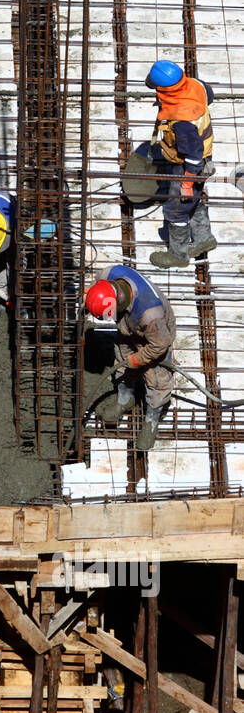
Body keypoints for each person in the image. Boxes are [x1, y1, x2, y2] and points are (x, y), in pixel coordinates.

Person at [85, 264, 176, 452]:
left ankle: (151, 421)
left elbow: (159, 345)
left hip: (155, 336)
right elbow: (97, 287)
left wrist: (138, 359)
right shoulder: (110, 275)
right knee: (122, 361)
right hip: (129, 325)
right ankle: (126, 399)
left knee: (157, 380)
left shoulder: (151, 315)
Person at [144, 59, 215, 267]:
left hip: (190, 166)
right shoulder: (196, 85)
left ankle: (178, 255)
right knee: (194, 199)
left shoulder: (182, 121)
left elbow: (193, 154)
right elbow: (208, 96)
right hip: (204, 157)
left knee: (176, 209)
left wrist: (186, 182)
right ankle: (204, 239)